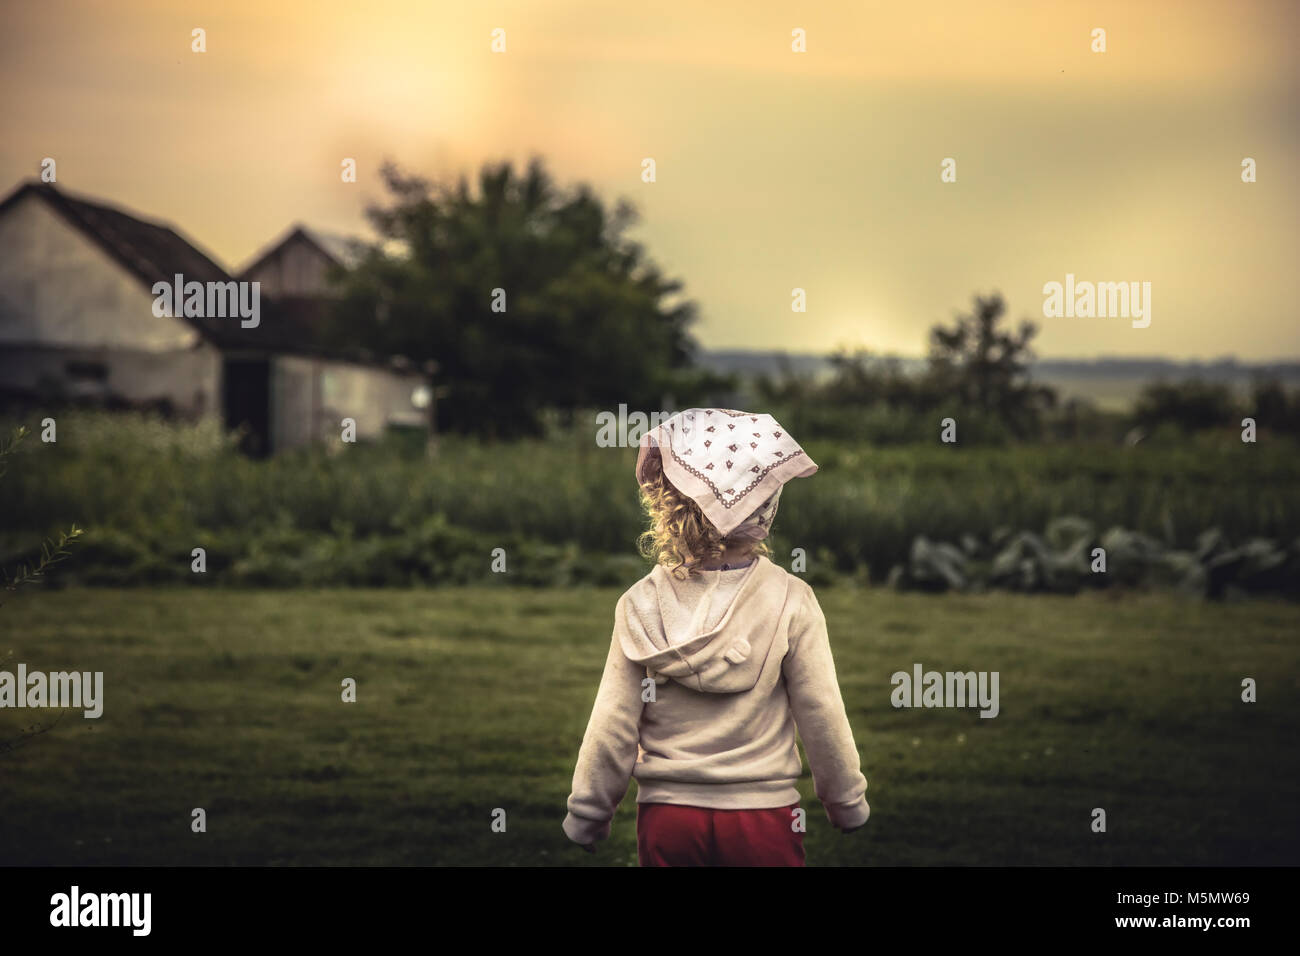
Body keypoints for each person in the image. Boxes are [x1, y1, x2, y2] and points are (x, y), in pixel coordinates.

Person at [562, 407, 869, 866]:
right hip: (763, 817)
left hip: (669, 817)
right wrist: (846, 802)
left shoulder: (638, 603)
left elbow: (613, 721)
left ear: (669, 501)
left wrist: (588, 813)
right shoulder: (791, 599)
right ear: (763, 503)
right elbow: (820, 711)